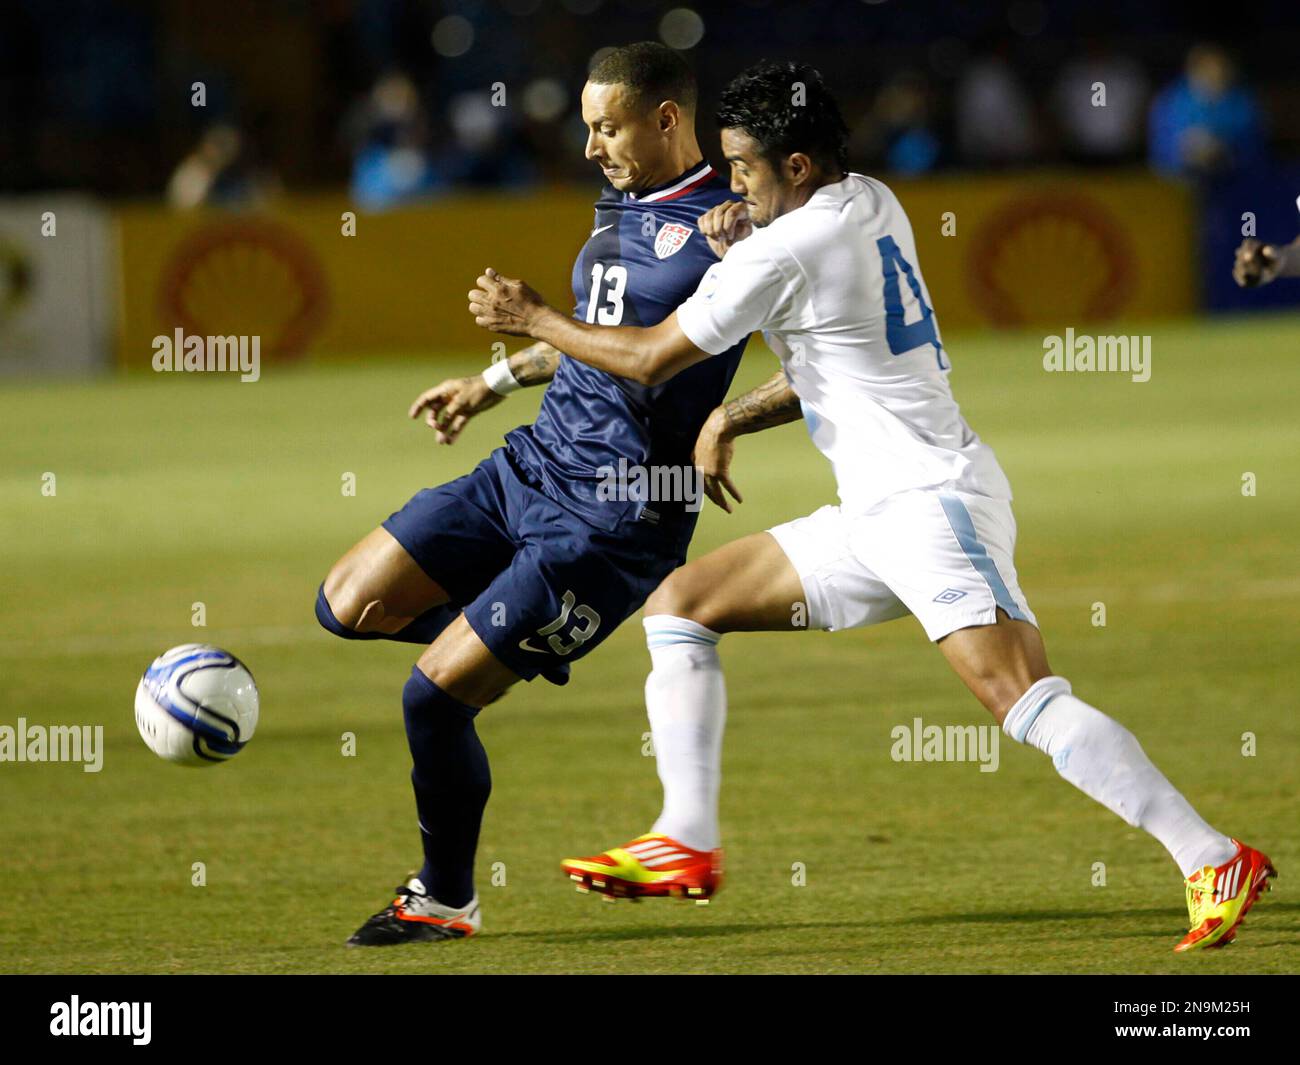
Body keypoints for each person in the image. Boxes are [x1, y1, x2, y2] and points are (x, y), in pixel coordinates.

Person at [467, 60, 1276, 953]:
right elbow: (826, 350)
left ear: (798, 166)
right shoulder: (873, 200)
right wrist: (729, 408)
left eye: (743, 168)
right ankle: (686, 840)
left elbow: (655, 355)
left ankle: (1210, 854)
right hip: (874, 512)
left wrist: (534, 319)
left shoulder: (784, 249)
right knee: (683, 605)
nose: (731, 185)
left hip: (933, 506)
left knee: (1023, 699)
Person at [317, 42, 748, 945]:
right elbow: (597, 335)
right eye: (588, 127)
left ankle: (444, 898)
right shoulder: (621, 204)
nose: (591, 146)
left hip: (615, 515)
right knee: (346, 603)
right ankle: (521, 638)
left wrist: (726, 415)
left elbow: (652, 354)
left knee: (431, 701)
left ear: (665, 119)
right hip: (530, 465)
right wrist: (495, 379)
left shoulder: (734, 231)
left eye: (607, 127)